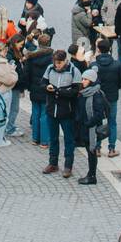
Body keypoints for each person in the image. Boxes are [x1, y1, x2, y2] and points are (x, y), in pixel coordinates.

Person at [43, 48, 82, 178]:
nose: (57, 65)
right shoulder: (49, 69)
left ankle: (68, 166)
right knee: (53, 138)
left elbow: (76, 91)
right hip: (51, 111)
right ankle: (53, 163)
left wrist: (58, 91)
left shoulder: (74, 71)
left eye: (59, 63)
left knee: (68, 140)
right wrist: (46, 87)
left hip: (67, 112)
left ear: (65, 60)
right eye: (55, 62)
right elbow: (42, 83)